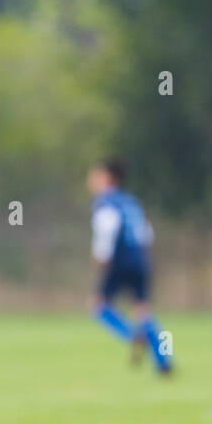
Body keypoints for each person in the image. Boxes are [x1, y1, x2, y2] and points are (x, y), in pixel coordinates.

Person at [88, 158, 172, 374]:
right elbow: (147, 232)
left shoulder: (105, 201)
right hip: (140, 258)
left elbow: (107, 228)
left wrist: (102, 255)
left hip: (119, 259)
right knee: (143, 311)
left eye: (96, 174)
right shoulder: (132, 201)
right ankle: (164, 359)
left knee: (98, 306)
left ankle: (132, 335)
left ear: (108, 177)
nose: (91, 179)